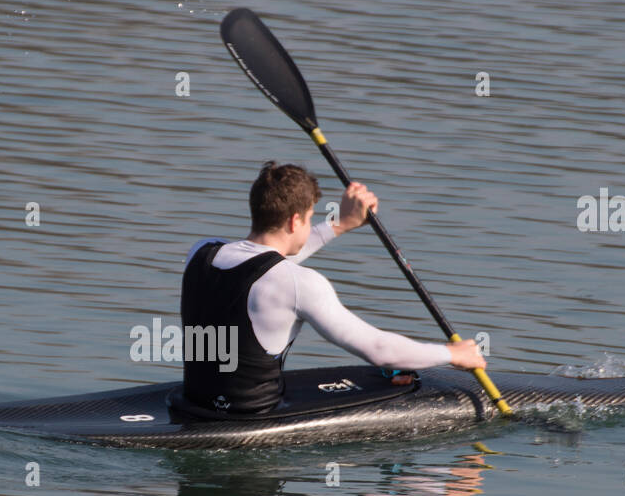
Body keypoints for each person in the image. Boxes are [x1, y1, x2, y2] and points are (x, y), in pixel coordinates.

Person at [181, 161, 487, 414]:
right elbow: (378, 351)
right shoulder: (301, 283)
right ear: (295, 220)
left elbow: (265, 261)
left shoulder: (202, 252)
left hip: (193, 406)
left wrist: (341, 223)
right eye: (311, 217)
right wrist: (452, 354)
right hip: (252, 417)